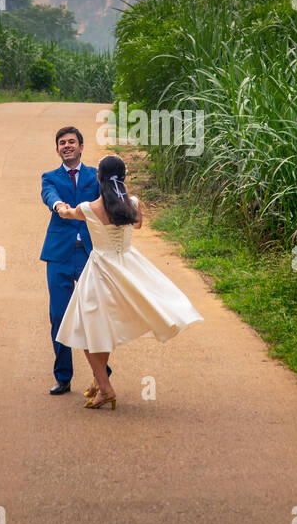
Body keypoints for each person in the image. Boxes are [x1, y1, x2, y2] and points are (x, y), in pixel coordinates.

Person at [52, 154, 203, 410]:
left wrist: (59, 207)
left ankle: (106, 388)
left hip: (100, 272)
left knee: (86, 330)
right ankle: (100, 382)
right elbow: (139, 224)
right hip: (128, 268)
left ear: (98, 178)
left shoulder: (89, 208)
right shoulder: (132, 203)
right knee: (101, 330)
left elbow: (67, 214)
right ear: (123, 178)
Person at [39, 126, 109, 395]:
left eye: (72, 142)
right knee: (59, 315)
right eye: (62, 143)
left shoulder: (95, 175)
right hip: (59, 254)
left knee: (95, 314)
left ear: (81, 147)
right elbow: (50, 197)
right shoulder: (50, 178)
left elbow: (110, 200)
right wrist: (59, 206)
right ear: (57, 150)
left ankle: (102, 377)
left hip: (91, 253)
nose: (67, 146)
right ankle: (63, 377)